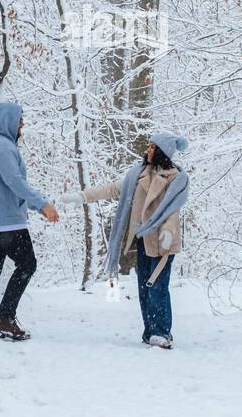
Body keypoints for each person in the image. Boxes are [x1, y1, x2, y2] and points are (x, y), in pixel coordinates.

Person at [64, 132, 189, 349]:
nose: (148, 150)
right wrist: (83, 197)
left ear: (162, 152)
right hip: (143, 238)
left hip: (163, 242)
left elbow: (173, 210)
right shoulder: (137, 174)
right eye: (148, 146)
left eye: (152, 147)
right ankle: (150, 331)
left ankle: (162, 332)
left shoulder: (176, 178)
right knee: (144, 286)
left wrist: (168, 232)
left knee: (158, 285)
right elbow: (112, 189)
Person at [0, 101, 58, 341]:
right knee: (27, 264)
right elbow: (16, 183)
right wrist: (42, 204)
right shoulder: (2, 148)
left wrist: (38, 206)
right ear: (8, 121)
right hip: (7, 223)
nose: (22, 124)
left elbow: (11, 187)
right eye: (20, 119)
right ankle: (5, 318)